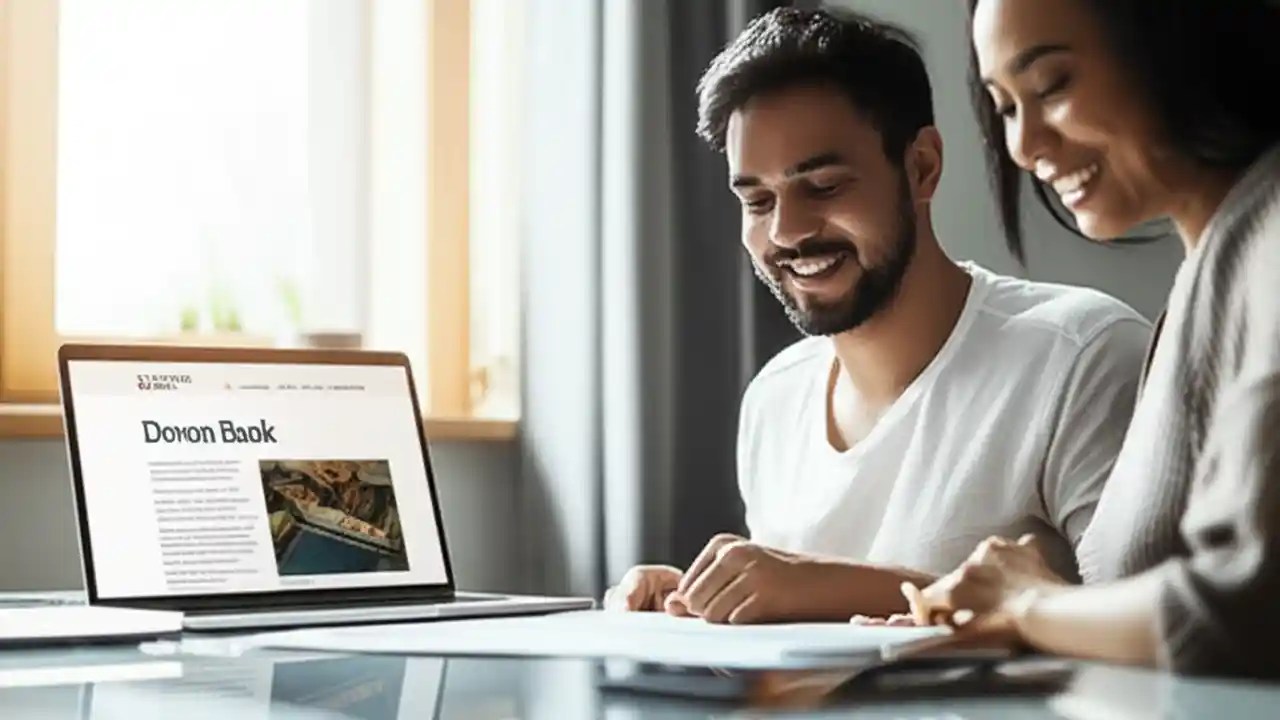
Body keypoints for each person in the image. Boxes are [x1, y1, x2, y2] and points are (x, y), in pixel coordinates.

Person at [603, 7, 1150, 624]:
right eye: (757, 200)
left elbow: (1158, 631)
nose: (788, 232)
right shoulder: (774, 401)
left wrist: (828, 587)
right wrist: (700, 602)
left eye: (824, 187)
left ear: (922, 167)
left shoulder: (1083, 356)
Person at [903, 0, 1280, 678]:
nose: (1021, 146)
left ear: (1178, 48)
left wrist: (1028, 606)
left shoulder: (1267, 245)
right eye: (1005, 106)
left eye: (1051, 86)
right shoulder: (1204, 280)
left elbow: (1242, 613)